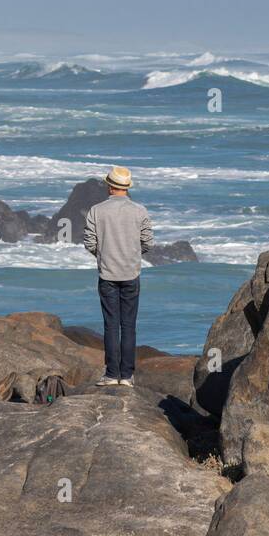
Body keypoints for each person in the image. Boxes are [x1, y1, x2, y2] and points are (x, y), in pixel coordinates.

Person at [83, 165, 153, 387]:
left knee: (111, 325)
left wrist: (103, 254)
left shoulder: (96, 210)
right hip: (131, 273)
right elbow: (148, 242)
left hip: (107, 274)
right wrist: (132, 254)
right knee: (129, 325)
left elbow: (89, 242)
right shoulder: (139, 210)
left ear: (110, 186)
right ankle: (127, 376)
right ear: (126, 187)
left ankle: (112, 374)